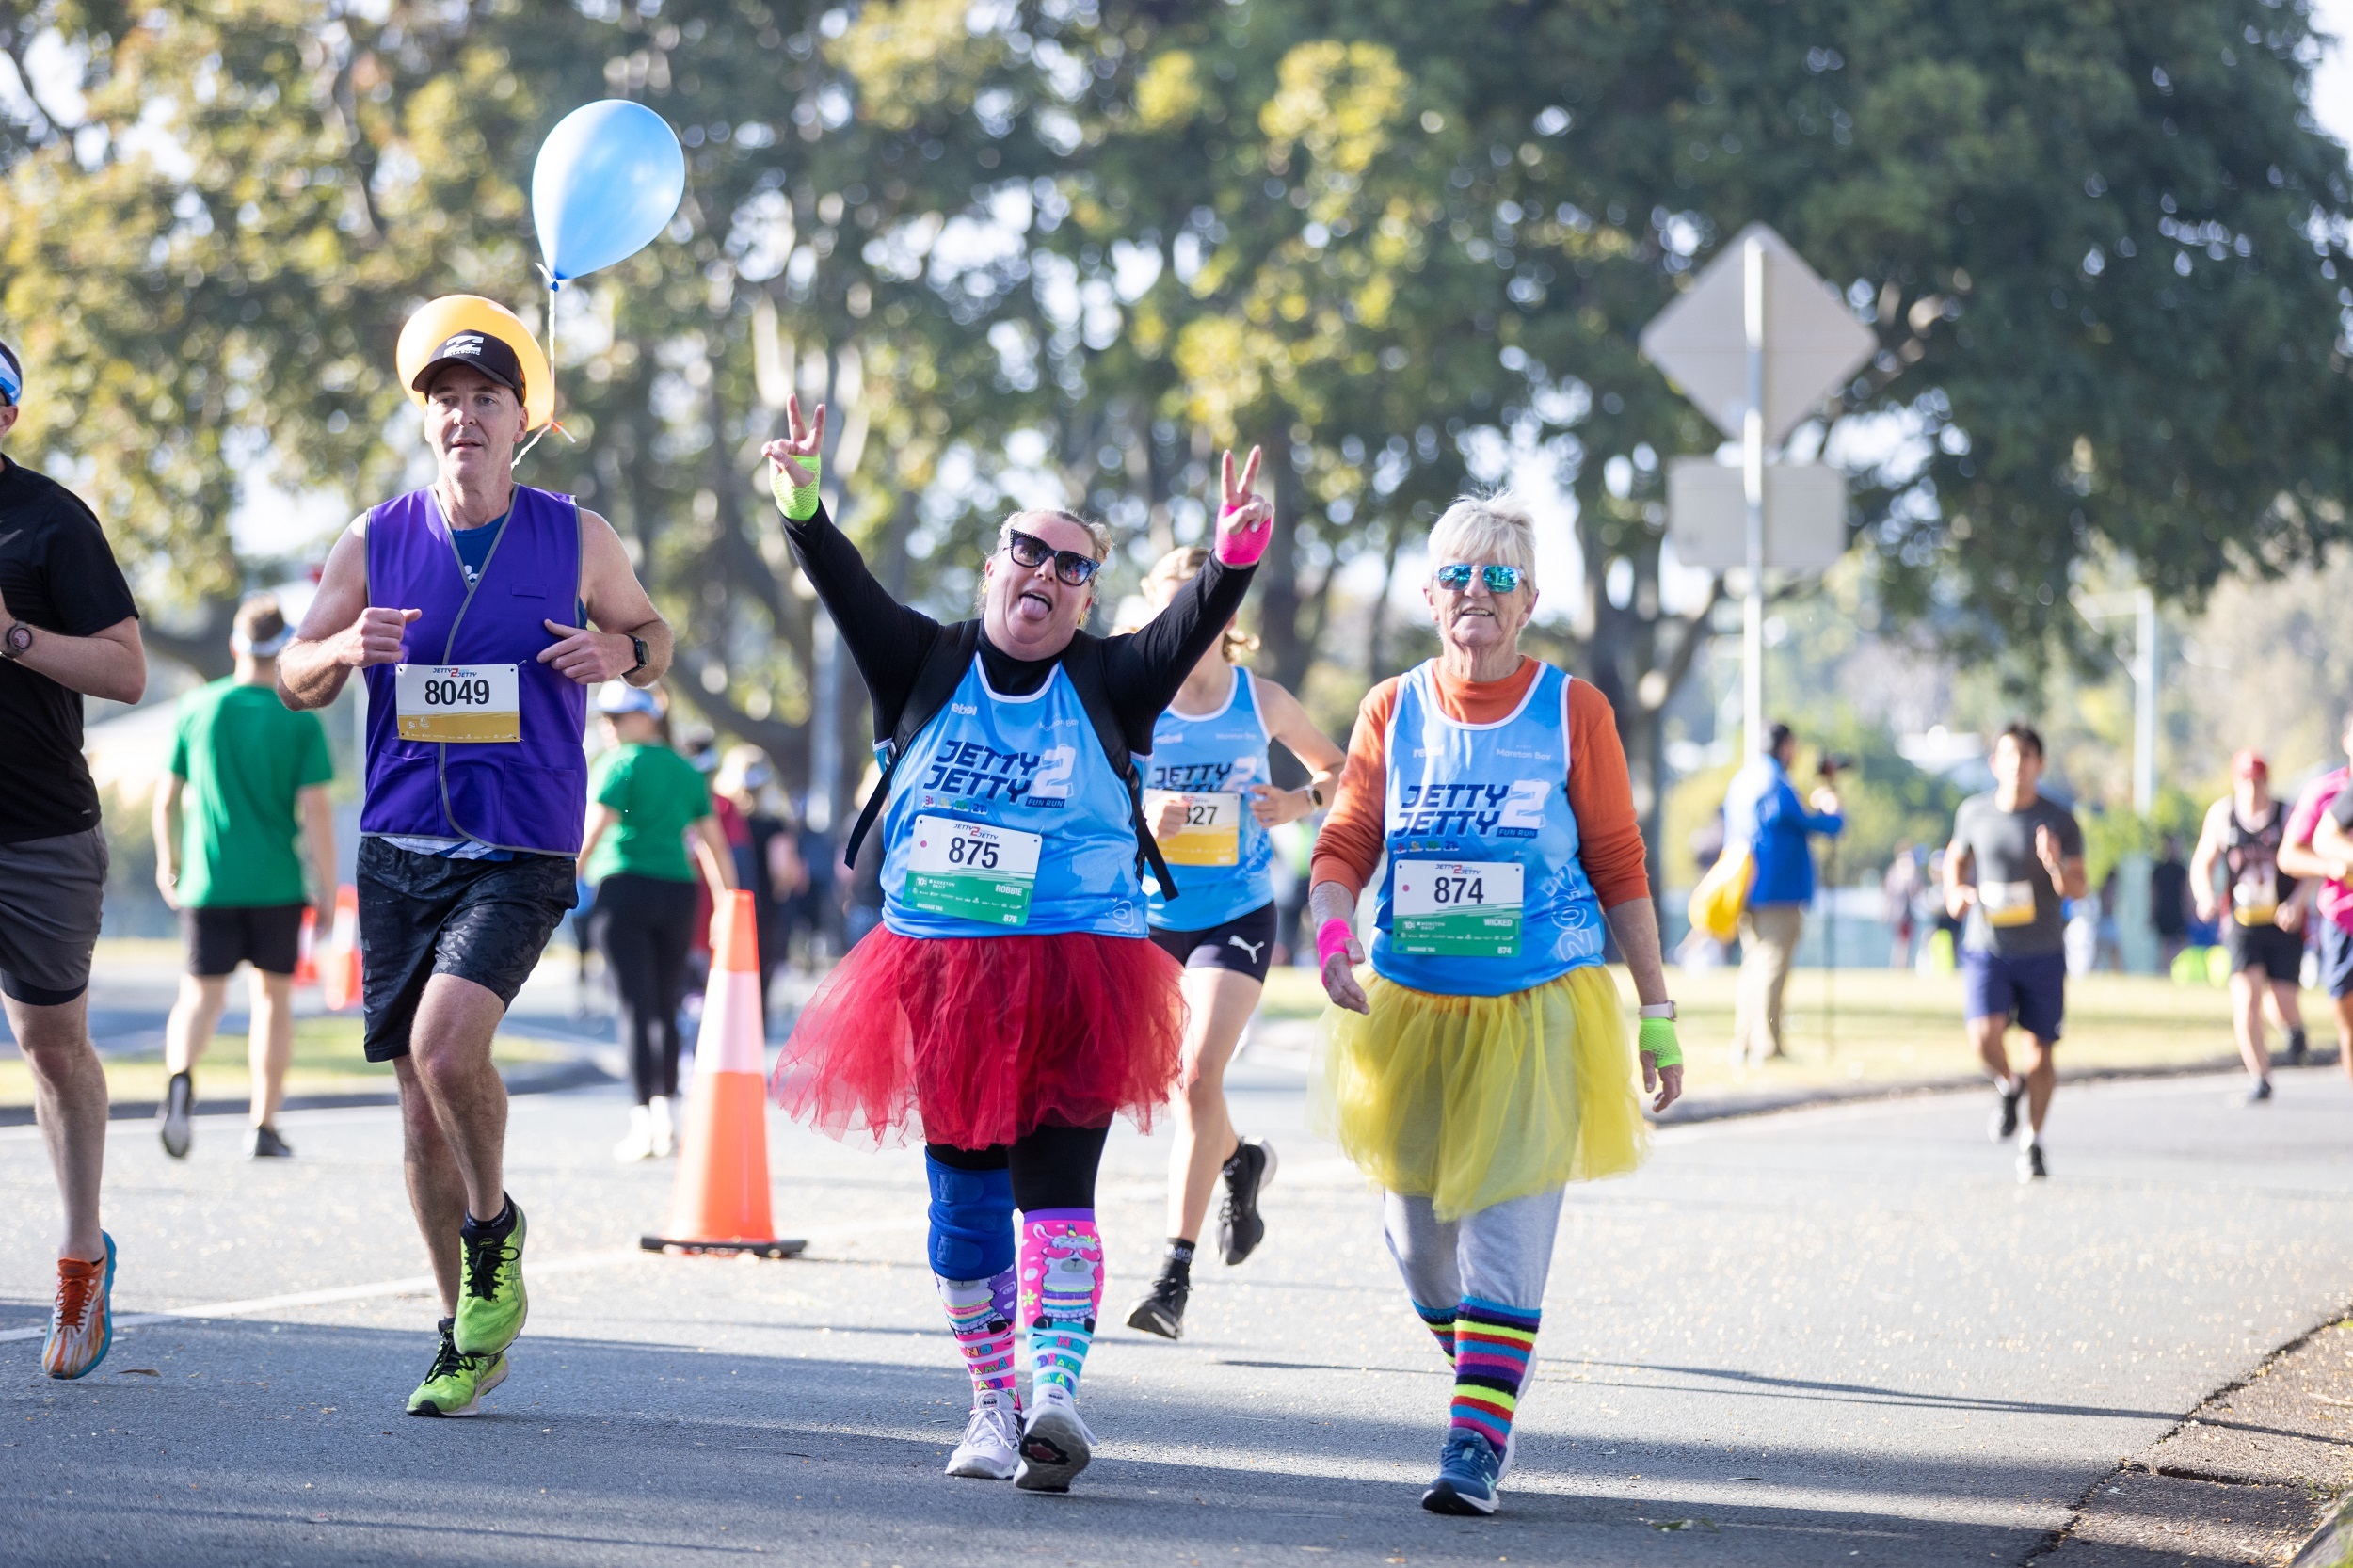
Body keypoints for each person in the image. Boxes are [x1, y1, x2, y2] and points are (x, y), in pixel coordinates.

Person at [760, 396, 1269, 1493]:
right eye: (1027, 551)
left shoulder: (1113, 677)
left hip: (1079, 968)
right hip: (939, 971)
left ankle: (1055, 1396)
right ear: (993, 567)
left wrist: (1231, 558)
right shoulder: (920, 660)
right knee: (963, 1212)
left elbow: (1188, 623)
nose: (1045, 572)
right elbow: (841, 579)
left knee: (1058, 1193)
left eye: (1071, 566)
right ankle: (991, 1402)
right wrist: (802, 503)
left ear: (1085, 597)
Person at [278, 322, 671, 1418]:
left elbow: (655, 636)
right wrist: (340, 649)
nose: (465, 417)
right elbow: (294, 671)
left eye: (486, 399)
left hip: (521, 845)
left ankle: (493, 1227)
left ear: (520, 423)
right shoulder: (375, 538)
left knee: (445, 1047)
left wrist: (620, 651)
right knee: (416, 1107)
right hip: (398, 847)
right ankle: (462, 1336)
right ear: (426, 420)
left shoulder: (575, 535)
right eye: (446, 399)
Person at [1308, 492, 1682, 1517]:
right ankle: (1487, 1367)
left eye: (1500, 576)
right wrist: (1333, 930)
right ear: (1430, 596)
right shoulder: (1392, 707)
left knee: (1503, 1237)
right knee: (1416, 1241)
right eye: (1459, 575)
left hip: (1537, 1007)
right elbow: (1346, 840)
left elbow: (1619, 864)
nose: (1478, 591)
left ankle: (1474, 1441)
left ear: (1529, 601)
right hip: (1412, 1010)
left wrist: (1656, 1011)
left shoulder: (1574, 711)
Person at [1115, 546, 1345, 1341]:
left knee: (1194, 1079)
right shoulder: (1134, 701)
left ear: (1226, 617)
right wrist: (1143, 816)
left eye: (1200, 606)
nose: (1187, 622)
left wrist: (1297, 801)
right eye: (1172, 608)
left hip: (1235, 915)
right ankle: (1241, 1162)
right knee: (1161, 1085)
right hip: (1148, 916)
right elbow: (1088, 797)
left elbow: (1340, 769)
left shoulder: (1262, 699)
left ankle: (1171, 1279)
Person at [0, 337, 148, 1379]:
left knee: (53, 1048)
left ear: (8, 412)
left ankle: (82, 1257)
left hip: (38, 830)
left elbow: (128, 670)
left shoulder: (51, 520)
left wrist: (13, 636)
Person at [152, 594, 337, 1160]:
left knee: (199, 997)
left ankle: (180, 1080)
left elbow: (167, 800)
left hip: (208, 883)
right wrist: (327, 892)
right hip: (277, 885)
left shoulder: (196, 708)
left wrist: (169, 862)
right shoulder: (299, 718)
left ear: (236, 645)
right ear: (284, 648)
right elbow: (316, 813)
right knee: (272, 1002)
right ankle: (263, 1125)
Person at [579, 683, 735, 1160]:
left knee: (635, 1005)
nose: (609, 726)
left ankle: (644, 1119)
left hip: (623, 887)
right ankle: (667, 1116)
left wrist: (558, 885)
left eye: (619, 717)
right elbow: (713, 843)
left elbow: (593, 832)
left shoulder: (618, 764)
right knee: (665, 1004)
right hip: (678, 892)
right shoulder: (686, 770)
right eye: (606, 717)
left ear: (647, 717)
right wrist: (726, 903)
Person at [1942, 724, 2086, 1182]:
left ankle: (2033, 1142)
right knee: (1983, 1038)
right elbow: (1955, 859)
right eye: (2009, 755)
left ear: (2040, 764)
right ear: (1994, 763)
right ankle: (2008, 1083)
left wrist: (2055, 864)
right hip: (1988, 947)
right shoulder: (1974, 812)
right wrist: (1955, 891)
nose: (2017, 765)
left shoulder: (2060, 819)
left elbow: (2078, 887)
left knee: (2040, 1055)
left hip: (2042, 950)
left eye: (2026, 756)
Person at [1720, 723, 1844, 1064]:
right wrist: (1832, 809)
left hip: (1745, 887)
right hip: (1778, 890)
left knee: (1753, 965)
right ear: (1786, 745)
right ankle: (1767, 1043)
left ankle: (1745, 1041)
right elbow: (1814, 825)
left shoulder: (1743, 779)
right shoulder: (1776, 782)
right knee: (1772, 965)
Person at [2190, 750, 2308, 1101]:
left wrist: (2297, 902)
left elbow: (2310, 863)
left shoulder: (2286, 814)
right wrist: (2205, 896)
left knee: (2281, 1002)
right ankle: (2260, 1077)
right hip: (2242, 923)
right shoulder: (2223, 815)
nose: (2252, 789)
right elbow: (2202, 863)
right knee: (2246, 1001)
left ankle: (2294, 1029)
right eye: (2246, 781)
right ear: (2236, 781)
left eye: (2258, 781)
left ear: (2267, 782)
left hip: (2282, 922)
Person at [2281, 706, 2353, 1084]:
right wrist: (2331, 866)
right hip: (2342, 921)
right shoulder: (2327, 792)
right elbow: (2289, 856)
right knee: (2349, 1027)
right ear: (2346, 741)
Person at [713, 744, 803, 1029]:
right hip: (763, 913)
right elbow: (783, 872)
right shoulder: (774, 824)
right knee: (757, 983)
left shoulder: (719, 820)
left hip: (723, 907)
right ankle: (752, 1042)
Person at [2150, 836, 2192, 969]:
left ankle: (2177, 969)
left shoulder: (2180, 870)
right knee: (2165, 945)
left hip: (2177, 911)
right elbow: (2154, 894)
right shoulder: (2158, 870)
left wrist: (2189, 912)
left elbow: (2185, 893)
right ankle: (2166, 970)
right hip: (2164, 912)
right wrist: (2152, 914)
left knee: (2181, 944)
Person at [1881, 844, 1920, 969]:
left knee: (1907, 940)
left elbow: (1916, 890)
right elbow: (1891, 891)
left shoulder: (1913, 873)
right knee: (1899, 940)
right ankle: (1898, 965)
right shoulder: (1894, 872)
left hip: (1909, 913)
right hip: (1897, 913)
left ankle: (1904, 964)